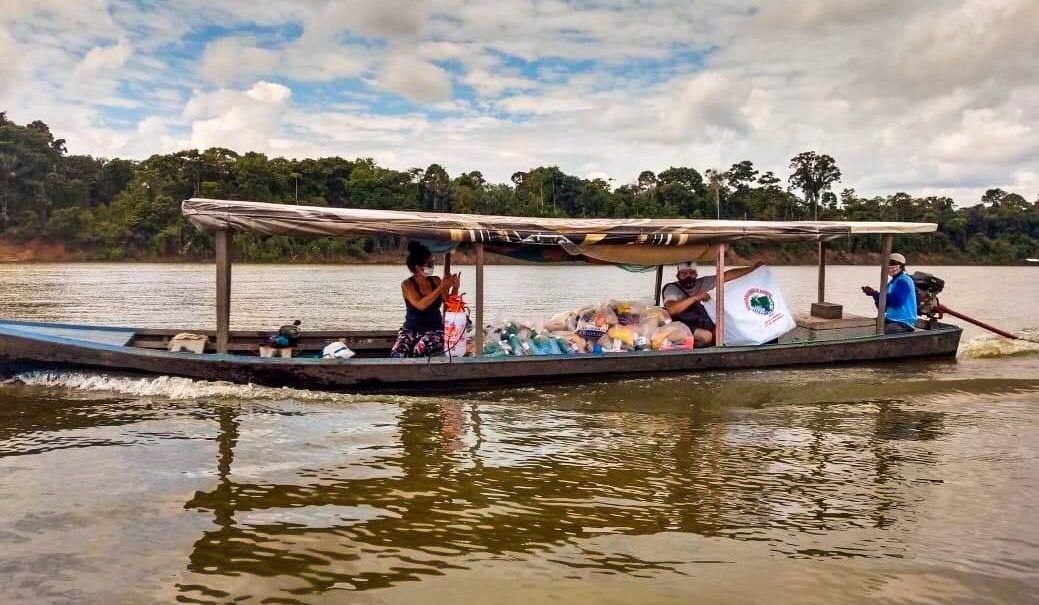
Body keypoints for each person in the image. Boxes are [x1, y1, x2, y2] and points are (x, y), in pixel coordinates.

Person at [662, 260, 762, 347]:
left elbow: (726, 276)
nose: (688, 276)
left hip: (701, 322)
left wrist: (753, 268)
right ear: (678, 276)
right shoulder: (672, 288)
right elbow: (672, 309)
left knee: (725, 330)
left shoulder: (703, 282)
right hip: (680, 325)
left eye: (691, 273)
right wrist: (695, 298)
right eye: (684, 274)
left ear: (696, 275)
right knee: (706, 336)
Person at [390, 241, 460, 358]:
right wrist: (441, 287)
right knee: (397, 353)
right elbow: (420, 305)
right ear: (418, 268)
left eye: (433, 263)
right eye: (429, 264)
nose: (432, 266)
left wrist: (455, 288)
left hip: (435, 329)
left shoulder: (436, 280)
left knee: (420, 349)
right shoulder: (407, 284)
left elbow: (449, 305)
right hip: (411, 329)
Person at [861, 252, 918, 334]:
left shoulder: (904, 280)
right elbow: (883, 307)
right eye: (888, 263)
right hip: (891, 320)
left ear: (901, 265)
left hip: (903, 323)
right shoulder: (891, 283)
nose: (890, 266)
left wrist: (875, 293)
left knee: (878, 334)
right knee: (866, 327)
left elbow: (896, 302)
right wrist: (873, 295)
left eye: (893, 263)